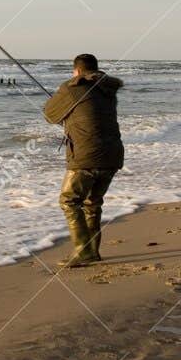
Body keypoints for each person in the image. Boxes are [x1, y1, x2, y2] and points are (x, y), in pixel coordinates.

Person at [42, 53, 124, 268]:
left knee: (69, 201)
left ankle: (83, 251)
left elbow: (49, 115)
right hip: (112, 154)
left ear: (77, 71)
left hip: (86, 155)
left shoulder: (72, 88)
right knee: (92, 203)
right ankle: (92, 251)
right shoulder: (108, 89)